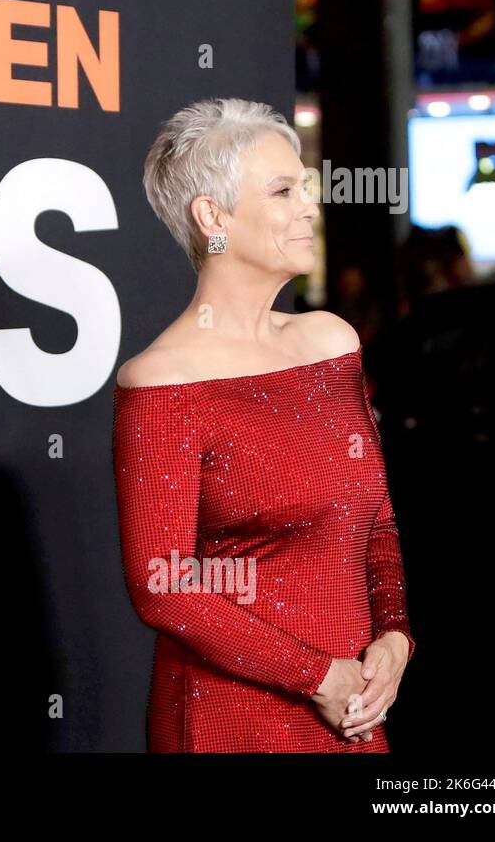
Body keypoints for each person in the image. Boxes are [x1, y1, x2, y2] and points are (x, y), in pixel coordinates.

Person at [113, 98, 414, 752]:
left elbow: (377, 520)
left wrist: (394, 635)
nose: (309, 206)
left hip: (354, 709)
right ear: (212, 217)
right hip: (232, 718)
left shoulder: (332, 344)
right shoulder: (163, 380)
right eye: (283, 190)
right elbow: (162, 587)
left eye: (305, 187)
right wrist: (316, 677)